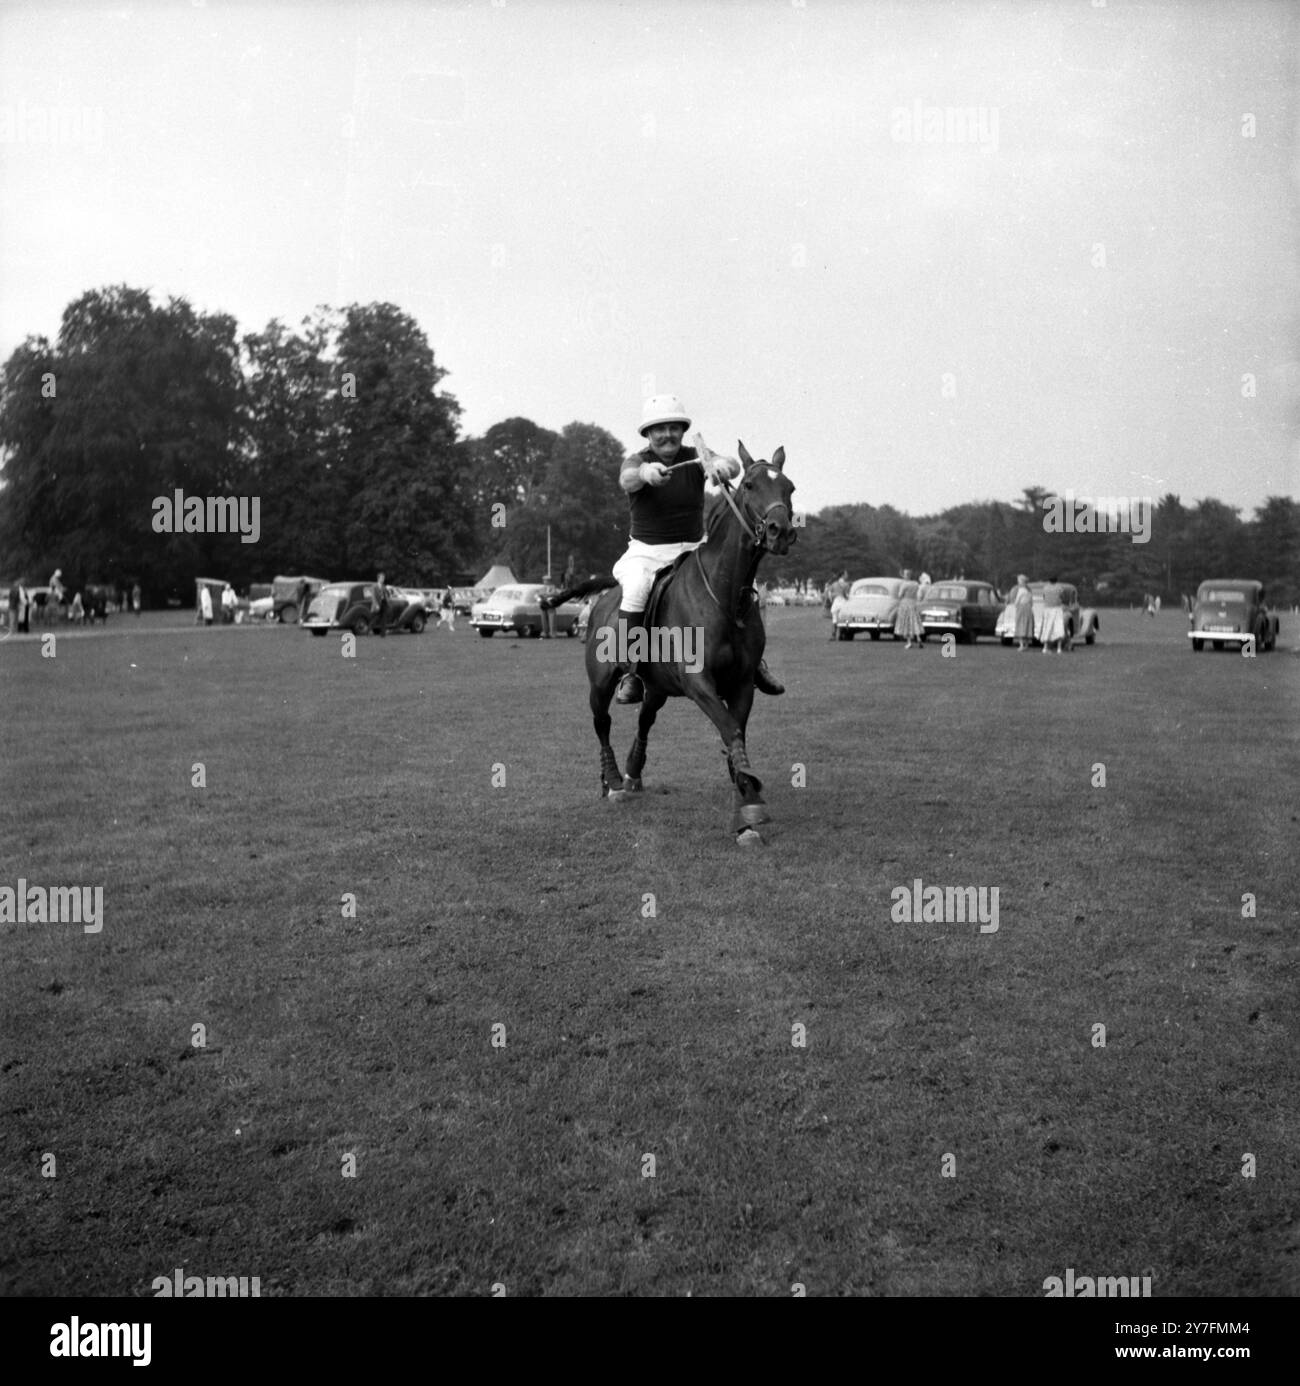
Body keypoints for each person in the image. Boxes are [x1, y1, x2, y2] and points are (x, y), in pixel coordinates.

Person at [609, 394, 783, 704]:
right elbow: (627, 479)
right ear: (648, 434)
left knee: (747, 587)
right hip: (647, 552)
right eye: (659, 429)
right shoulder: (638, 460)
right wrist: (647, 474)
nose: (668, 435)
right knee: (635, 588)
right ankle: (631, 672)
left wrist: (720, 468)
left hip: (692, 549)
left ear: (682, 431)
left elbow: (728, 464)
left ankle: (755, 664)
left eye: (674, 428)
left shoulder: (694, 454)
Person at [894, 569, 925, 649]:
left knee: (906, 623)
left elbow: (900, 595)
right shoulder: (915, 584)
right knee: (914, 621)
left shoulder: (904, 585)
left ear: (905, 575)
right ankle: (918, 638)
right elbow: (918, 594)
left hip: (905, 604)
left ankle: (909, 642)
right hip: (913, 603)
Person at [1040, 576, 1068, 654]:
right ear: (1057, 580)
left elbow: (1044, 597)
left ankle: (1045, 647)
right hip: (1057, 609)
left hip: (1047, 609)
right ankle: (1059, 648)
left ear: (1049, 580)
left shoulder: (1045, 588)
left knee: (1047, 627)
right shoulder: (1059, 588)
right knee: (1058, 628)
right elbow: (1063, 597)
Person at [1009, 573, 1035, 651]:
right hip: (1028, 609)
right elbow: (1031, 602)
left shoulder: (1021, 590)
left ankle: (1021, 645)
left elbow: (1017, 601)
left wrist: (1016, 605)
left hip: (1021, 608)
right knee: (1027, 625)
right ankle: (1026, 644)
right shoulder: (1029, 590)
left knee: (1020, 624)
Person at [826, 570, 850, 640]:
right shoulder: (846, 584)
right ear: (842, 575)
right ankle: (841, 635)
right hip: (843, 603)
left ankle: (833, 635)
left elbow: (829, 593)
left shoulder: (834, 584)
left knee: (834, 620)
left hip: (835, 603)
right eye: (846, 574)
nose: (847, 576)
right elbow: (847, 596)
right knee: (843, 620)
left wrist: (831, 601)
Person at [371, 572, 387, 637]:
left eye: (383, 578)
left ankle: (383, 634)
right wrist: (376, 605)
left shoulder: (384, 586)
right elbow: (373, 596)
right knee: (376, 618)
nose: (383, 579)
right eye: (382, 578)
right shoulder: (374, 586)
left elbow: (385, 595)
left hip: (383, 603)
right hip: (377, 604)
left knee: (383, 619)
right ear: (378, 578)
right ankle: (368, 629)